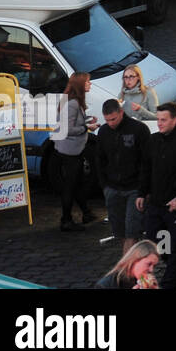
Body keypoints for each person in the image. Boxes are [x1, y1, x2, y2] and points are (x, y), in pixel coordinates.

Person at [136, 102, 176, 289]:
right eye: (158, 120)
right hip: (156, 202)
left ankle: (170, 283)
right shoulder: (153, 141)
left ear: (174, 119)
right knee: (155, 242)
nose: (159, 123)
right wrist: (142, 192)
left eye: (164, 120)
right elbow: (146, 168)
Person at [96, 98, 150, 254]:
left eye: (113, 119)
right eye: (107, 120)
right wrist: (104, 185)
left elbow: (146, 162)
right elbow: (100, 159)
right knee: (120, 231)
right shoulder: (104, 131)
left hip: (134, 189)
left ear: (121, 113)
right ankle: (130, 266)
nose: (111, 123)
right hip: (112, 188)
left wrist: (143, 190)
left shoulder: (139, 129)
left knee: (132, 232)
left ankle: (127, 270)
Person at [55, 72, 98, 232]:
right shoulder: (72, 103)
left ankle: (86, 213)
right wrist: (87, 128)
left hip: (72, 149)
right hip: (70, 151)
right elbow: (67, 129)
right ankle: (66, 220)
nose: (90, 84)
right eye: (88, 82)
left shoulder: (72, 101)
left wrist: (87, 120)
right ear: (80, 85)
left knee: (77, 183)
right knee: (71, 186)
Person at [95, 241, 160, 289]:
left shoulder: (144, 281)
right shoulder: (105, 286)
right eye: (149, 264)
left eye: (154, 266)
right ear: (134, 260)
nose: (151, 270)